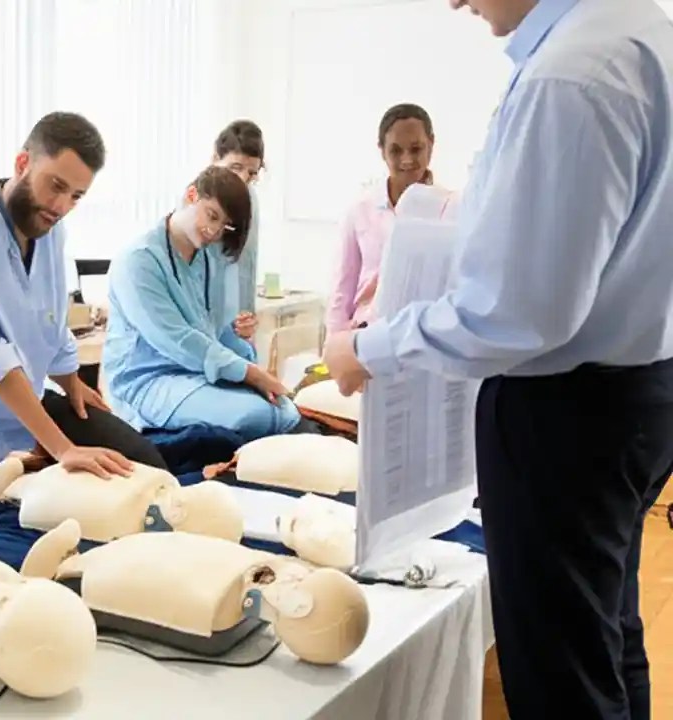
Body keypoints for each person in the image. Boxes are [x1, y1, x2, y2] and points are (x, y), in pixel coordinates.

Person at [324, 0, 673, 717]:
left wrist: (368, 347)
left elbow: (518, 311)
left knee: (561, 673)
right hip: (642, 390)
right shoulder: (643, 34)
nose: (455, 1)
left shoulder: (572, 74)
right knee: (609, 634)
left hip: (568, 412)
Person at [0, 112, 163, 524]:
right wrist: (64, 448)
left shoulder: (49, 228)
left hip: (29, 424)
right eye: (56, 186)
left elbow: (51, 318)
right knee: (10, 539)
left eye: (77, 196)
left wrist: (72, 383)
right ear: (22, 163)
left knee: (143, 468)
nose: (62, 206)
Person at [103, 166, 300, 440]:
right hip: (148, 383)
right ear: (191, 195)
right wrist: (249, 374)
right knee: (258, 415)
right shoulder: (138, 261)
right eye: (212, 215)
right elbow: (178, 339)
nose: (214, 231)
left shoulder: (207, 260)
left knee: (285, 410)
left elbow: (214, 330)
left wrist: (249, 360)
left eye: (224, 225)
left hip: (196, 376)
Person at [326, 103, 449, 334]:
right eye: (395, 150)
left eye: (416, 149)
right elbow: (342, 288)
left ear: (431, 144)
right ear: (382, 150)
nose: (406, 160)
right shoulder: (360, 209)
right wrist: (333, 348)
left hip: (424, 338)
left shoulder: (447, 209)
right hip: (366, 336)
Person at [209, 120, 267, 341]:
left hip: (235, 327)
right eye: (236, 167)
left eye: (252, 173)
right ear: (216, 158)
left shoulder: (250, 198)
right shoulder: (195, 199)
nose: (243, 179)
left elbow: (246, 265)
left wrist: (247, 317)